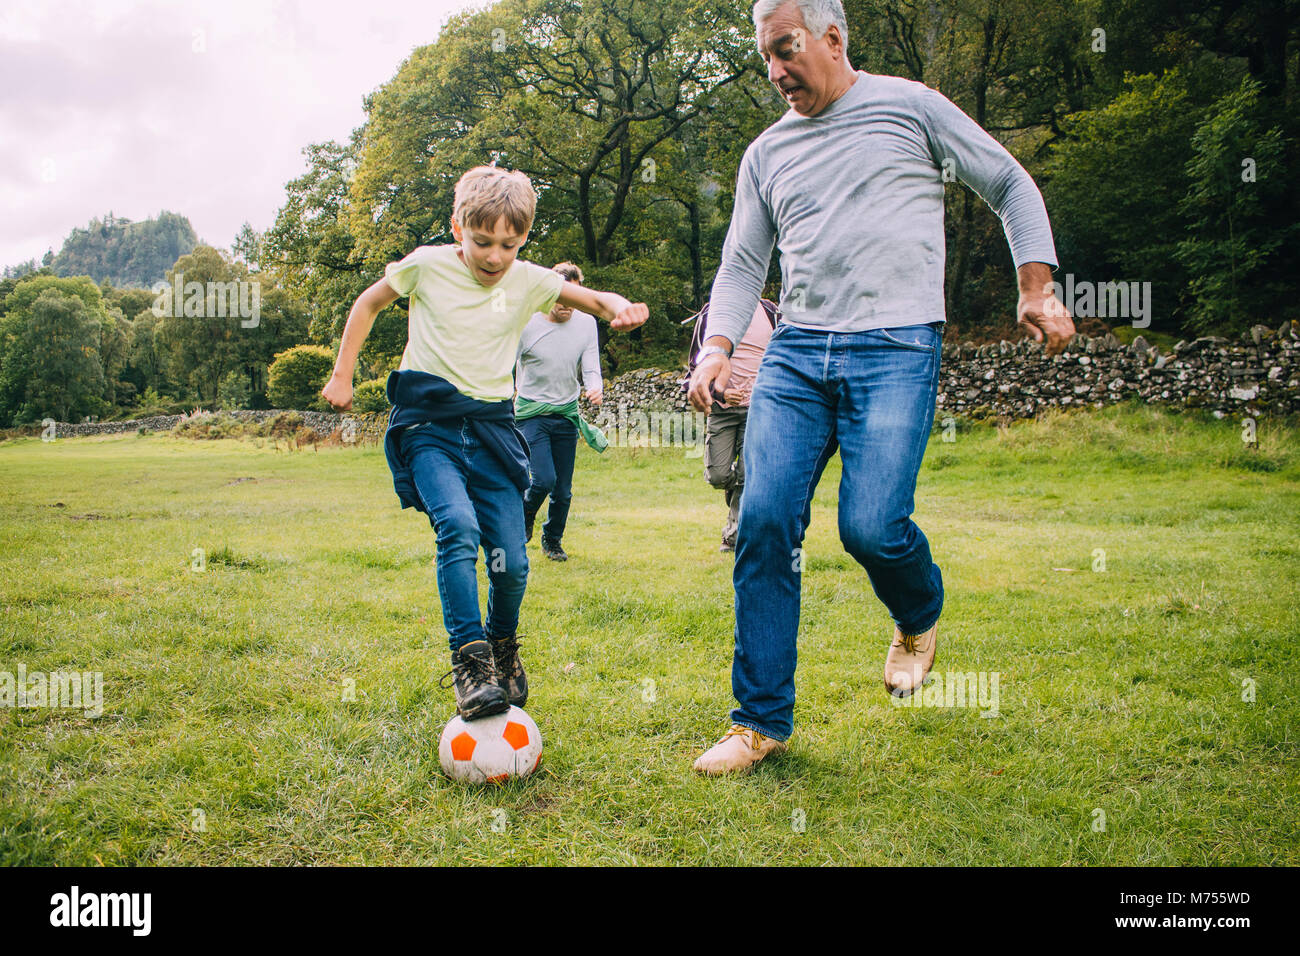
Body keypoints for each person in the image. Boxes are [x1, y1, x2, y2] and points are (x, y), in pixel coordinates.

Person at [687, 0, 1075, 774]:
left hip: (897, 345)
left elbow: (1008, 183)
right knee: (762, 520)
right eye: (765, 56)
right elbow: (740, 265)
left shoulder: (911, 108)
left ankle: (917, 613)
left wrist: (1036, 287)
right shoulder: (766, 154)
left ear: (833, 38)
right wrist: (719, 347)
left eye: (787, 49)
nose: (774, 71)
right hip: (797, 353)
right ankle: (758, 722)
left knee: (871, 527)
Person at [321, 166, 647, 721]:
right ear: (457, 228)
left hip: (495, 429)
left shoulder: (528, 280)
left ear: (522, 241)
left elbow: (593, 298)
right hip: (430, 425)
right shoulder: (425, 266)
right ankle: (471, 665)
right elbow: (368, 303)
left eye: (510, 245)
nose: (495, 257)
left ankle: (501, 645)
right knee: (459, 528)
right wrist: (342, 375)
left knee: (512, 562)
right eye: (482, 242)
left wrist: (621, 308)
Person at [515, 261, 607, 562]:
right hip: (531, 412)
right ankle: (524, 516)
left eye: (573, 298)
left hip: (565, 413)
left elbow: (591, 367)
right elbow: (505, 363)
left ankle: (552, 540)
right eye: (560, 297)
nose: (567, 305)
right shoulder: (526, 321)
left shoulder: (585, 323)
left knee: (563, 491)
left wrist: (595, 387)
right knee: (543, 479)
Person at [704, 302, 774, 553]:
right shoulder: (712, 312)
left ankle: (732, 537)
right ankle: (733, 488)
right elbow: (697, 365)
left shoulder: (771, 312)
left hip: (758, 408)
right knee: (719, 476)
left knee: (747, 475)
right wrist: (720, 393)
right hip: (721, 411)